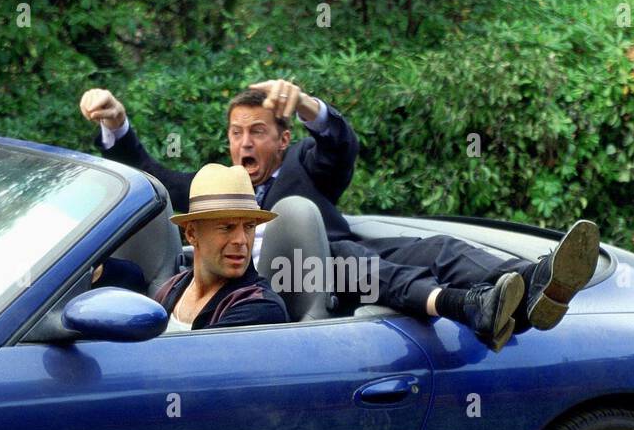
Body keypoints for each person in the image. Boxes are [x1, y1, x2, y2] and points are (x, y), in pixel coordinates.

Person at [79, 80, 600, 350]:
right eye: (236, 132)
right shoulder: (213, 189)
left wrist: (306, 105)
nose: (244, 141)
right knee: (348, 256)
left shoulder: (305, 168)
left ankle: (536, 284)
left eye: (257, 130)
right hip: (292, 283)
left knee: (434, 248)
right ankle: (477, 306)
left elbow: (338, 145)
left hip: (342, 265)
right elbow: (145, 174)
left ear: (283, 139)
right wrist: (117, 125)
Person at [150, 162, 288, 332]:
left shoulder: (261, 308)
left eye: (249, 227)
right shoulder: (171, 288)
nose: (241, 240)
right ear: (192, 234)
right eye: (227, 227)